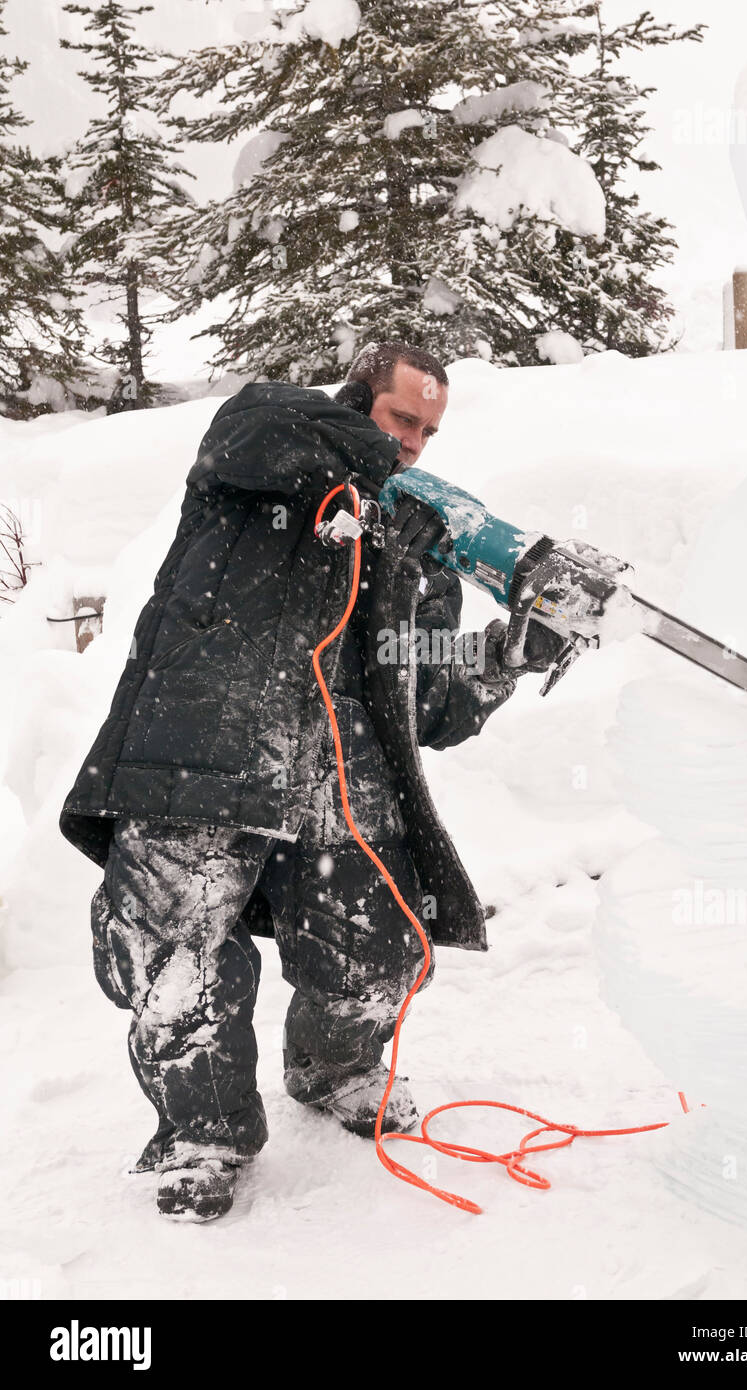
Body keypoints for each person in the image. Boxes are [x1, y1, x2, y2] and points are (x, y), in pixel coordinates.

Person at [59, 341, 565, 1221]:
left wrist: (515, 649)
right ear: (357, 397)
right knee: (181, 960)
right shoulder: (259, 457)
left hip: (346, 772)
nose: (411, 442)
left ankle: (336, 1070)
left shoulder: (413, 538)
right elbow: (250, 429)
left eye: (427, 431)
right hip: (207, 753)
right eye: (400, 418)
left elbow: (431, 698)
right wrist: (380, 485)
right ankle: (202, 1138)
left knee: (373, 951)